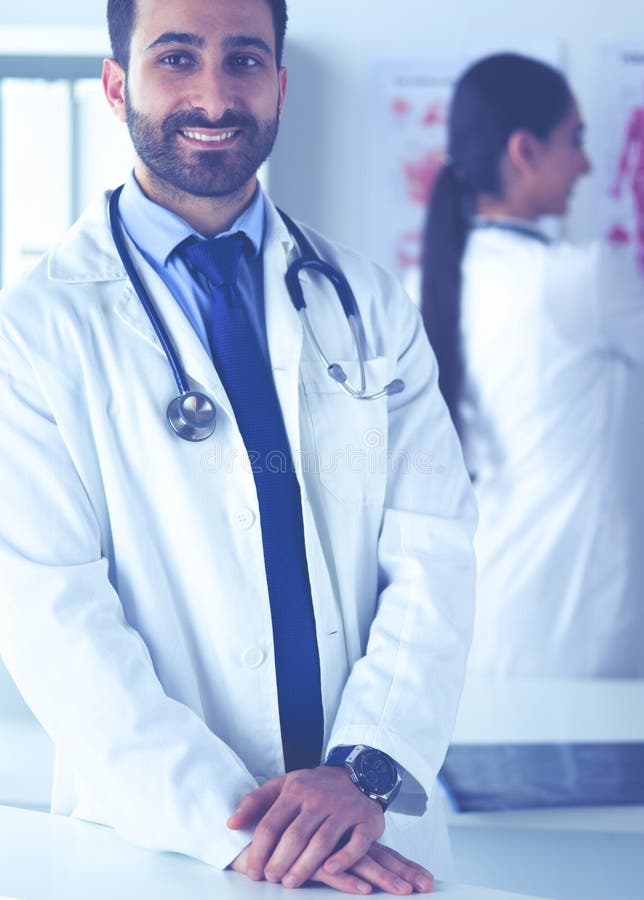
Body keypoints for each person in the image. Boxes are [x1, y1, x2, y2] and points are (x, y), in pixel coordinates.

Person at [0, 0, 477, 894]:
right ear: (116, 85)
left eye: (246, 61)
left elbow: (434, 551)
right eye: (176, 58)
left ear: (282, 85)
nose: (215, 95)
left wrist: (365, 770)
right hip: (169, 843)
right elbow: (51, 613)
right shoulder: (34, 333)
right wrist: (248, 829)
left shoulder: (368, 303)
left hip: (373, 829)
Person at [421, 52, 644, 678]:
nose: (587, 164)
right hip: (578, 627)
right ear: (524, 150)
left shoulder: (427, 282)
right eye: (574, 141)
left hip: (481, 625)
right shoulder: (580, 277)